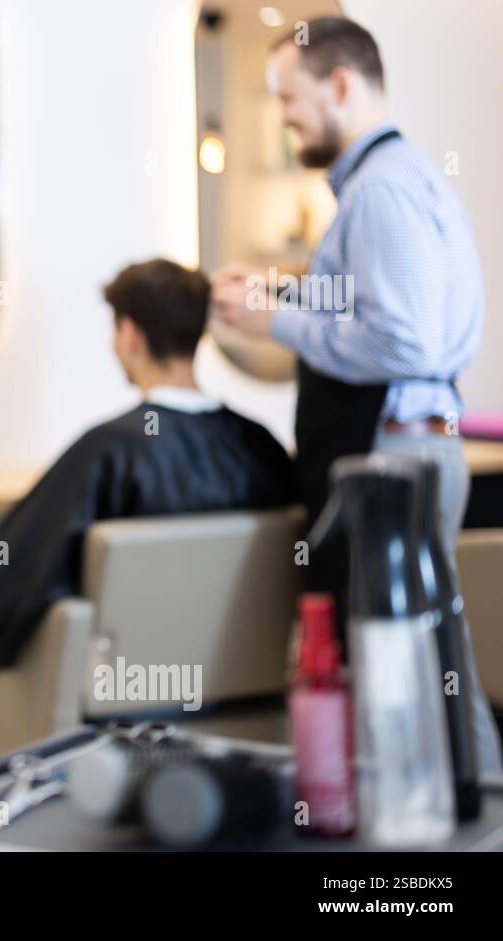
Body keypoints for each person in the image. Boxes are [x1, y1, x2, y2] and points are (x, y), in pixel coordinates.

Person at [210, 17, 501, 771]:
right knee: (423, 661)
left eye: (288, 97)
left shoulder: (379, 195)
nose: (283, 118)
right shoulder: (395, 184)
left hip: (392, 456)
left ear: (341, 85)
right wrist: (279, 292)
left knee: (414, 668)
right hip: (405, 448)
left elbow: (403, 340)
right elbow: (375, 310)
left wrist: (275, 320)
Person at [0, 259, 297, 675]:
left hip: (126, 685)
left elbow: (23, 579)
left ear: (129, 335)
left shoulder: (111, 450)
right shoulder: (261, 445)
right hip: (245, 680)